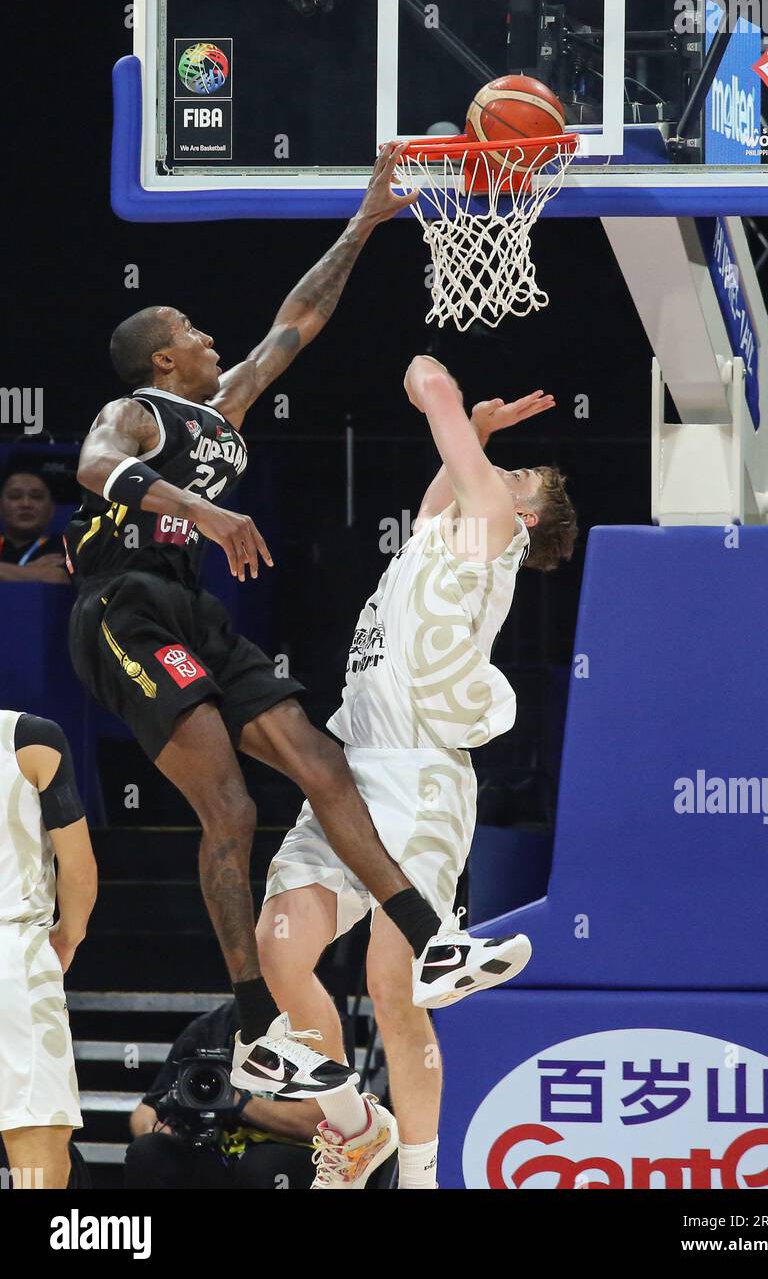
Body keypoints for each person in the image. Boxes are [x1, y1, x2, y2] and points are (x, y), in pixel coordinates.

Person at [65, 145, 524, 1104]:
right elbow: (93, 470)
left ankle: (429, 938)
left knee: (321, 763)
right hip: (122, 608)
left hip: (189, 606)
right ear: (162, 359)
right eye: (190, 330)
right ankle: (253, 1029)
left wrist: (368, 219)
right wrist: (211, 514)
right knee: (230, 808)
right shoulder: (137, 411)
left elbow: (297, 323)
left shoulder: (220, 410)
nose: (208, 336)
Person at [258, 362, 577, 1188]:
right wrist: (484, 426)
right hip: (350, 768)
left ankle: (423, 1174)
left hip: (423, 776)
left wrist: (449, 399)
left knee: (392, 986)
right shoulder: (446, 532)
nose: (495, 476)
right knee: (281, 947)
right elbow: (448, 470)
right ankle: (356, 1128)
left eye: (514, 479)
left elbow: (426, 381)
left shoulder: (494, 533)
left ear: (525, 515)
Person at [0, 710, 97, 1189]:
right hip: (12, 956)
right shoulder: (31, 738)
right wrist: (67, 935)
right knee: (37, 1144)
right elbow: (78, 871)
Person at [126, 1002, 371, 1190]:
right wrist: (153, 1127)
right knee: (147, 1151)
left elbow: (322, 1122)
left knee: (261, 1165)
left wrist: (239, 1102)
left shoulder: (316, 1024)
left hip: (293, 1156)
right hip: (219, 1152)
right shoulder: (210, 1027)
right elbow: (145, 1110)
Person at [0, 468, 69, 584]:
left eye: (37, 497)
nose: (26, 504)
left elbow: (58, 578)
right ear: (1, 507)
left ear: (51, 509)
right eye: (15, 496)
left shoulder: (66, 547)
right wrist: (30, 572)